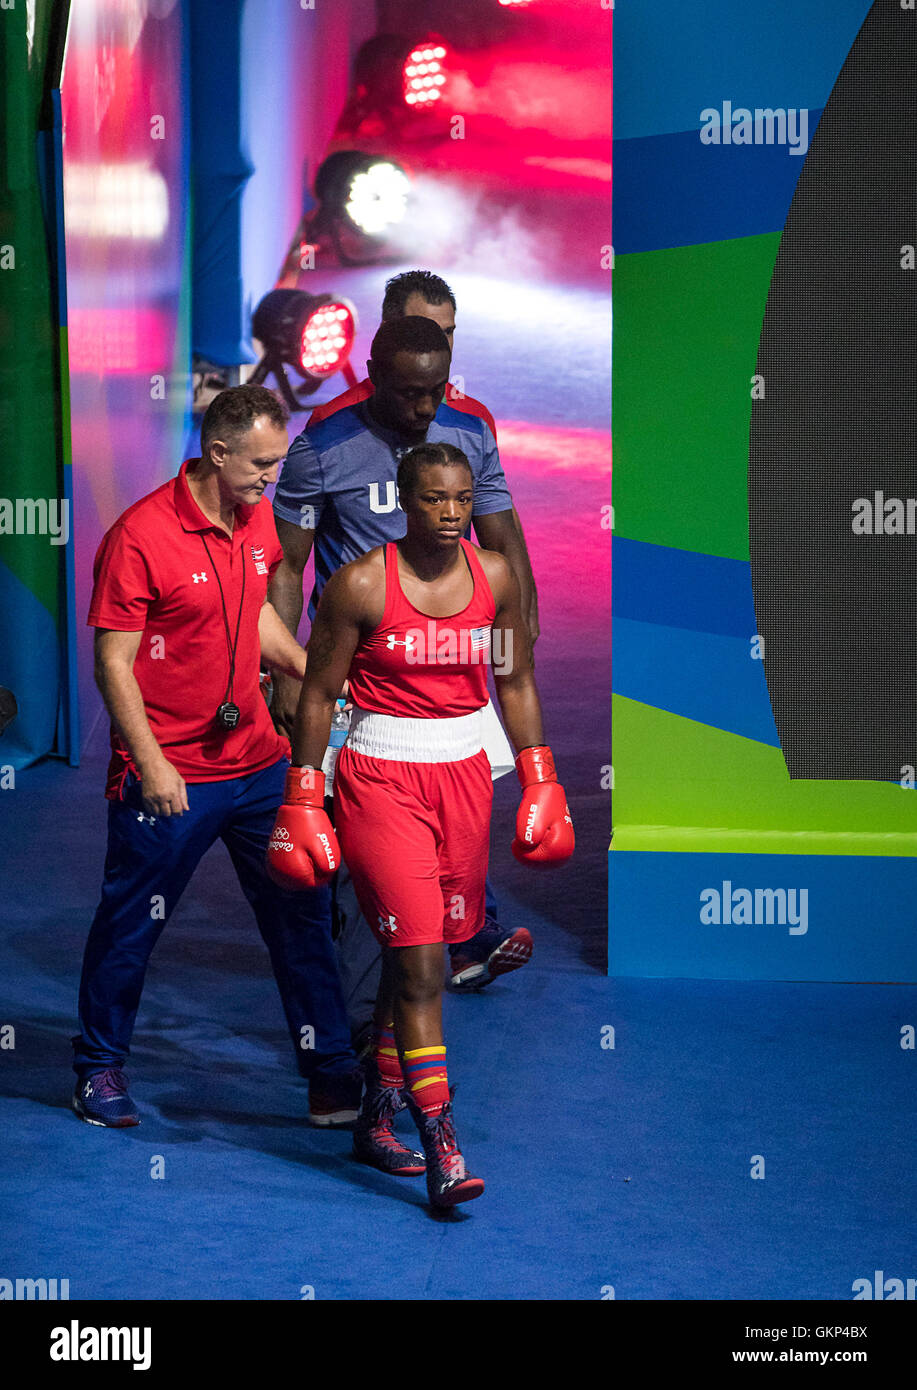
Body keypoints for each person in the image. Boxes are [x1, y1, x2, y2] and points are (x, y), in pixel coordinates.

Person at [266, 443, 573, 1208]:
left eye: (464, 499)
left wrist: (541, 774)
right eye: (435, 498)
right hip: (380, 776)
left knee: (414, 964)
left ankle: (372, 1116)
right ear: (403, 498)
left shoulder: (495, 578)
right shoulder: (360, 584)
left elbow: (516, 678)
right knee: (425, 965)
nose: (451, 512)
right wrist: (304, 794)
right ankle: (439, 1138)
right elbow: (316, 692)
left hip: (465, 774)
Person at [71, 385, 361, 1129]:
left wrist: (301, 666)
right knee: (132, 922)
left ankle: (329, 1069)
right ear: (217, 452)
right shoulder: (140, 536)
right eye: (261, 463)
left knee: (301, 909)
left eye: (278, 461)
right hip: (170, 774)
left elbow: (252, 609)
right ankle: (99, 1068)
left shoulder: (253, 514)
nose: (273, 477)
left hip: (258, 762)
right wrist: (152, 762)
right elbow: (113, 661)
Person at [268, 304, 536, 1026]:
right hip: (358, 689)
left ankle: (455, 950)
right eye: (409, 393)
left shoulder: (468, 431)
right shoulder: (322, 443)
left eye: (436, 390)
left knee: (445, 861)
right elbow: (287, 563)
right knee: (358, 879)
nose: (425, 407)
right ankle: (359, 1047)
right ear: (372, 376)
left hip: (446, 690)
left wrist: (518, 644)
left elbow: (503, 542)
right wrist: (290, 669)